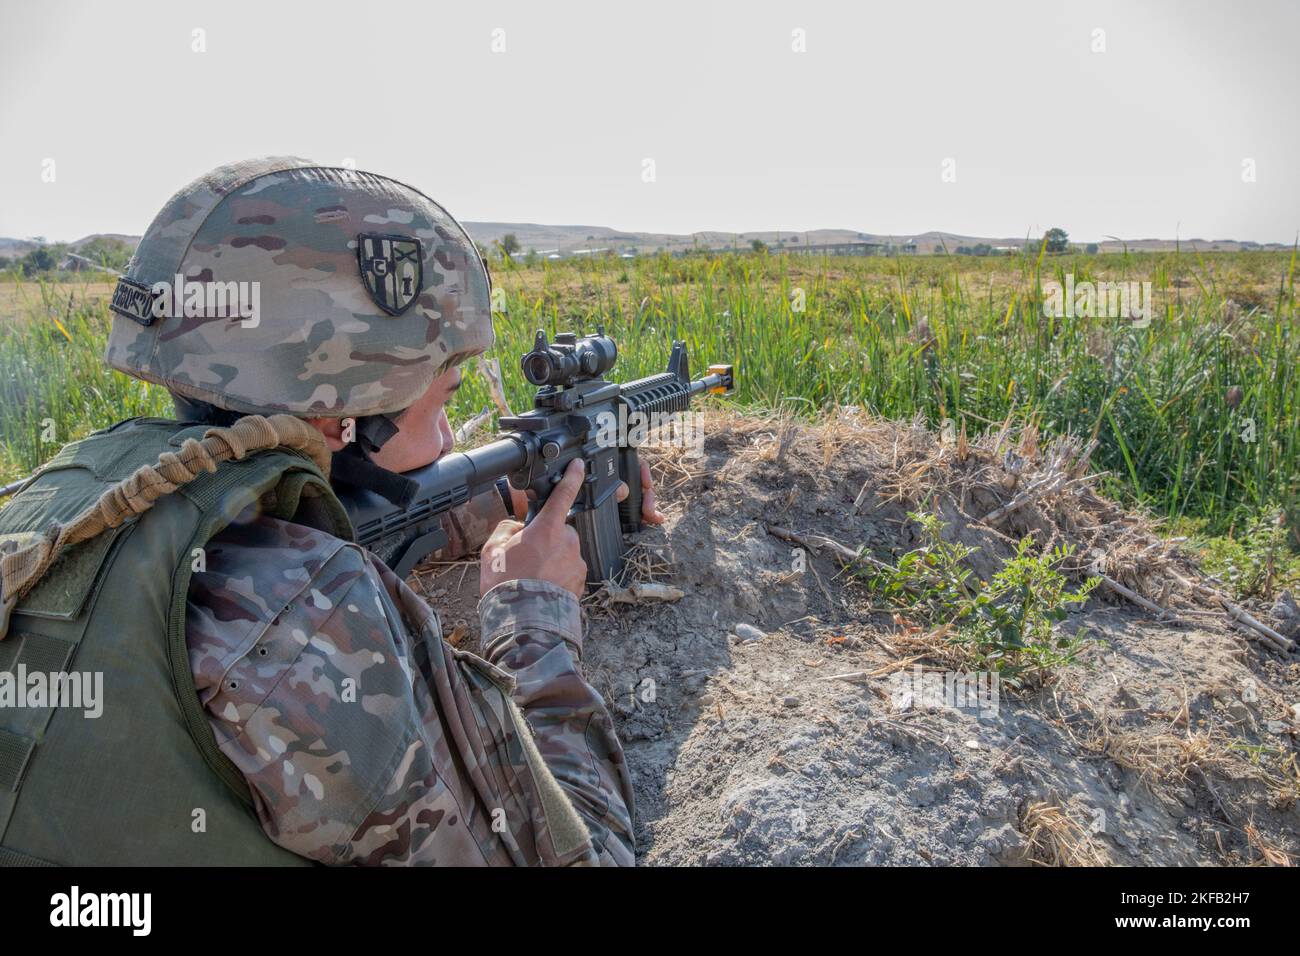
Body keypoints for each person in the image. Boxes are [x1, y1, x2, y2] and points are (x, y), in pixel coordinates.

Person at [0, 157, 659, 867]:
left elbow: (296, 527)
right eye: (444, 400)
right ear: (344, 415)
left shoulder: (67, 499)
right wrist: (533, 617)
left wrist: (496, 502)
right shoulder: (307, 620)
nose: (445, 438)